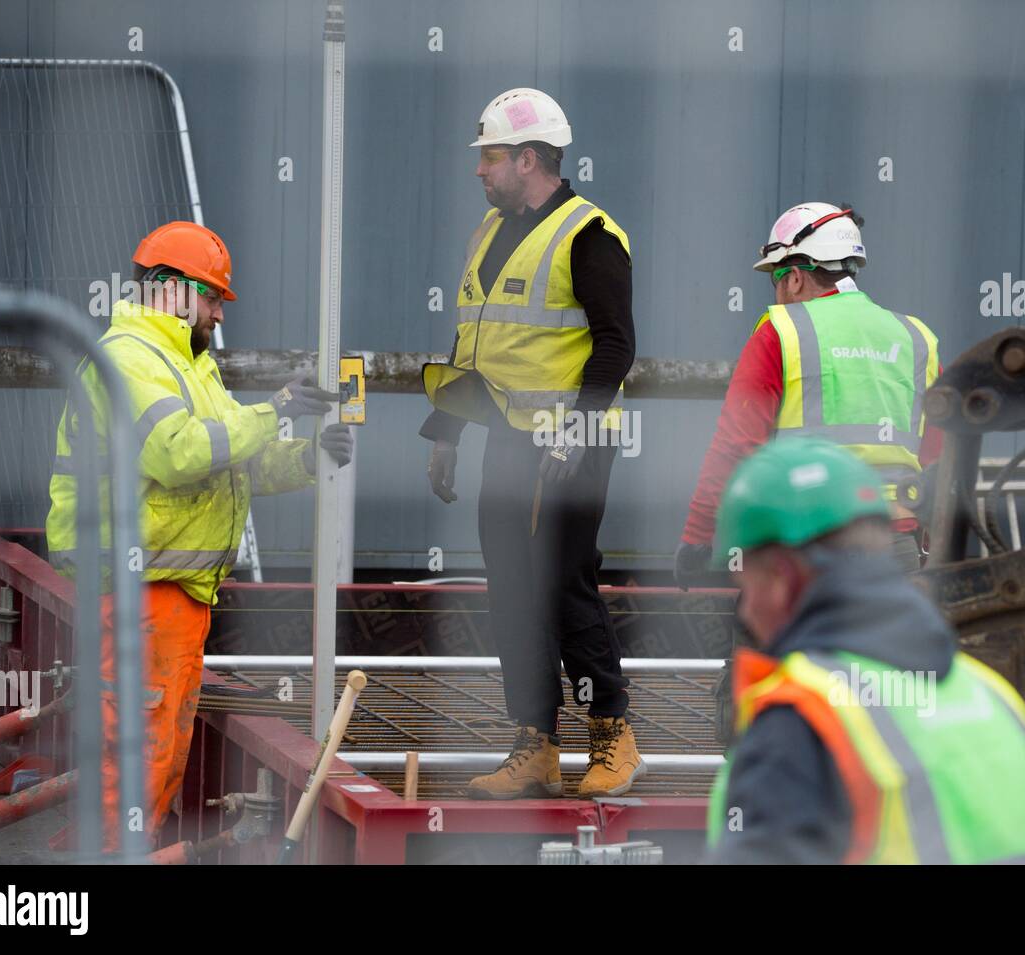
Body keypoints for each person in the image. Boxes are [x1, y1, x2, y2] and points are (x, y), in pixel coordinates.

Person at [46, 220, 353, 849]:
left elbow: (227, 461)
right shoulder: (130, 359)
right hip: (141, 590)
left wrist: (306, 457)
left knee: (154, 749)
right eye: (212, 296)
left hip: (169, 592)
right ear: (172, 290)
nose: (217, 312)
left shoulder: (185, 363)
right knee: (136, 754)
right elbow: (179, 453)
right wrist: (277, 411)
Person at [420, 88, 642, 798]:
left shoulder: (588, 235)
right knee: (512, 590)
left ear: (527, 157)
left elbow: (616, 345)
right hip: (509, 439)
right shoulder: (489, 231)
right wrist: (448, 431)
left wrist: (574, 429)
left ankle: (612, 732)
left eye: (488, 157)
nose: (478, 171)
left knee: (561, 581)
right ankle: (535, 743)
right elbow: (474, 342)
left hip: (567, 442)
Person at [705, 437, 1025, 864]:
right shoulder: (995, 699)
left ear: (781, 578)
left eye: (746, 587)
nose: (748, 610)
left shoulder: (803, 722)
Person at [675, 203, 942, 586]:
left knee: (784, 649)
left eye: (776, 279)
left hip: (801, 549)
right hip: (893, 547)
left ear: (795, 277)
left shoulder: (781, 331)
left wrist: (698, 536)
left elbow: (735, 446)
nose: (779, 293)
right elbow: (938, 455)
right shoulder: (917, 338)